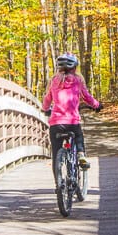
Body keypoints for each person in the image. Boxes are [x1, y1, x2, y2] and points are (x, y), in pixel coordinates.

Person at [42, 53, 102, 182]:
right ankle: (80, 154)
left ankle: (59, 183)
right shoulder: (78, 80)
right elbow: (87, 97)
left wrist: (45, 109)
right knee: (78, 136)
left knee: (56, 153)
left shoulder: (54, 81)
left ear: (58, 68)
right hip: (72, 122)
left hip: (56, 123)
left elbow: (47, 99)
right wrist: (96, 105)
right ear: (75, 68)